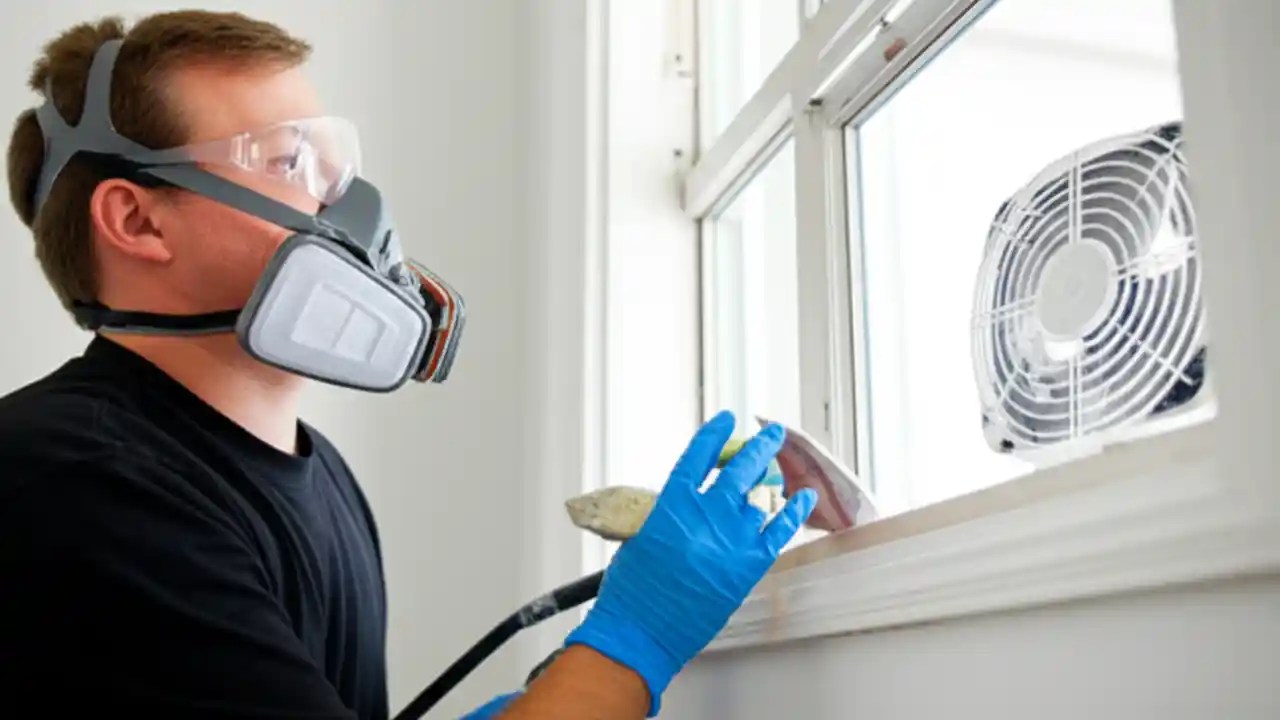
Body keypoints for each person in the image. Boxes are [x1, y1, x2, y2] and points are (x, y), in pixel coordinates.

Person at [0, 11, 816, 720]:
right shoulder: (74, 480)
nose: (350, 207)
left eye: (332, 163)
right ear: (137, 220)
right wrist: (635, 639)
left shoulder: (323, 479)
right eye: (288, 164)